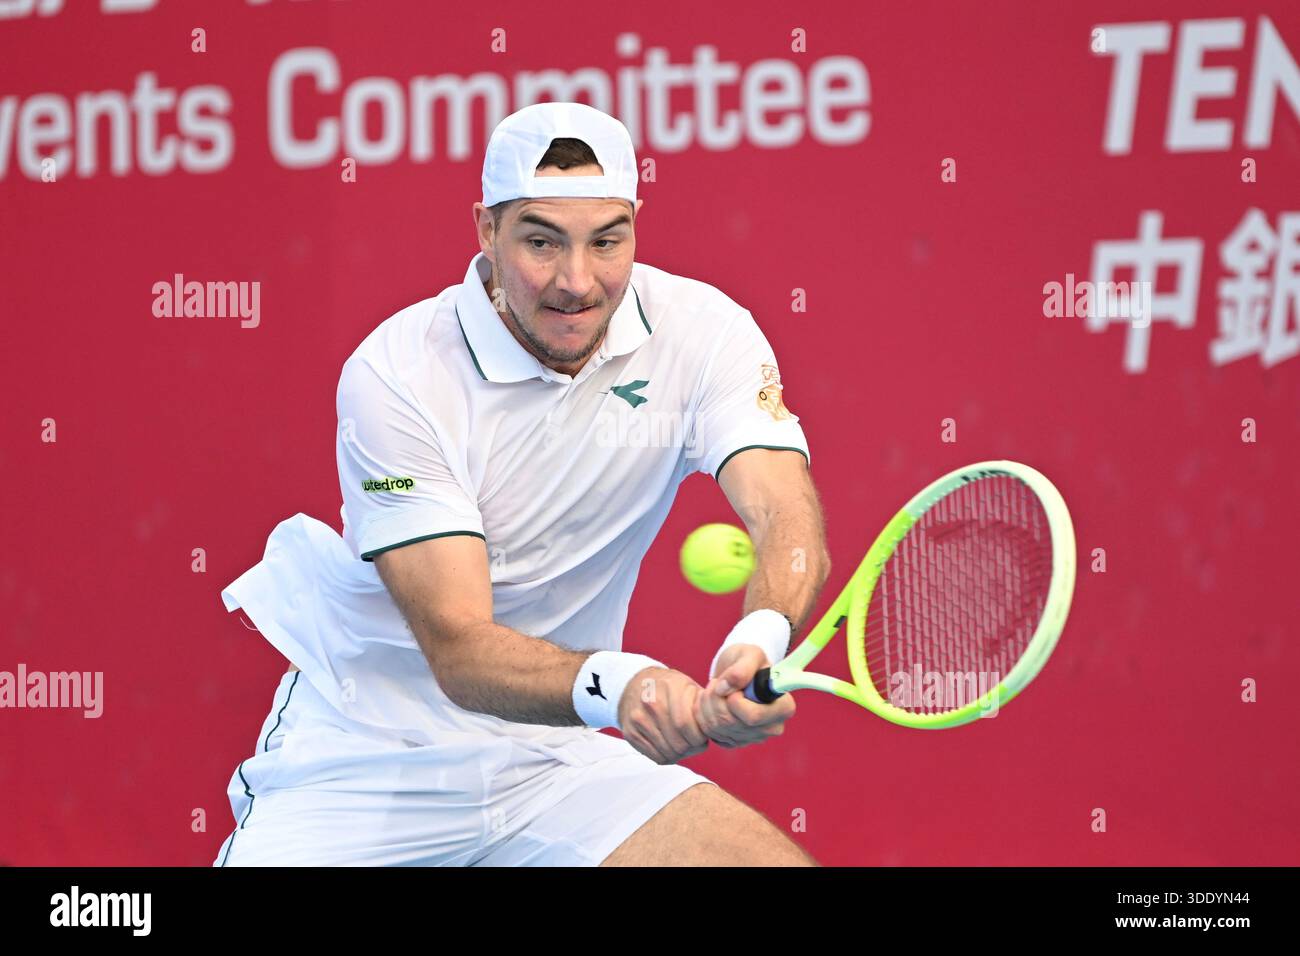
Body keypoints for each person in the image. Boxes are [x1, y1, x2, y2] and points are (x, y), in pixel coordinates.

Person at [214, 101, 830, 866]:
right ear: (485, 229)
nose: (577, 281)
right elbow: (460, 646)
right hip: (367, 753)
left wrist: (758, 637)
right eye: (542, 242)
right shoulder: (398, 372)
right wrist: (625, 684)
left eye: (607, 241)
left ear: (637, 222)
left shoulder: (706, 333)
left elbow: (783, 511)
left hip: (557, 753)